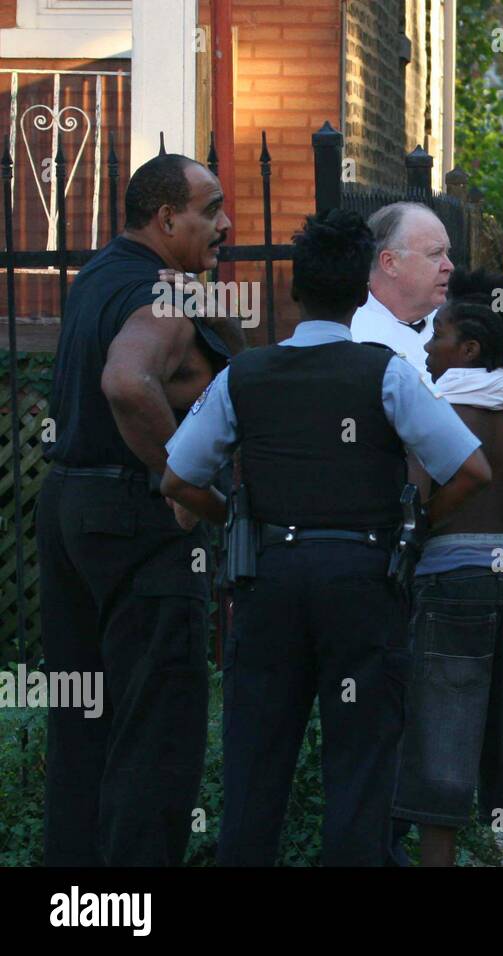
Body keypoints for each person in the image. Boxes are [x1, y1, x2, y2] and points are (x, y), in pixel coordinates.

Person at [161, 209, 491, 866]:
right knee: (363, 766)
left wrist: (233, 516)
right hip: (364, 582)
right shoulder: (385, 373)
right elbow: (472, 469)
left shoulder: (244, 376)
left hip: (270, 582)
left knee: (256, 764)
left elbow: (177, 478)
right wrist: (415, 529)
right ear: (360, 293)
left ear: (293, 292)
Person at [37, 153, 239, 866]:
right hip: (136, 523)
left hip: (70, 510)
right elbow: (127, 382)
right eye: (211, 210)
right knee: (156, 735)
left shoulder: (99, 275)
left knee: (84, 723)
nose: (226, 224)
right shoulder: (171, 296)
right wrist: (178, 479)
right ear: (167, 218)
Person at [392, 268, 503, 867]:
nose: (426, 344)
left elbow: (415, 510)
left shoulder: (435, 415)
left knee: (442, 729)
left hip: (447, 584)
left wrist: (454, 529)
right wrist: (496, 531)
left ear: (466, 349)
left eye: (437, 334)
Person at [350, 201, 453, 392]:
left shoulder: (459, 329)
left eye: (447, 253)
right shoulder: (352, 335)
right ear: (390, 263)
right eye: (435, 254)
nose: (449, 266)